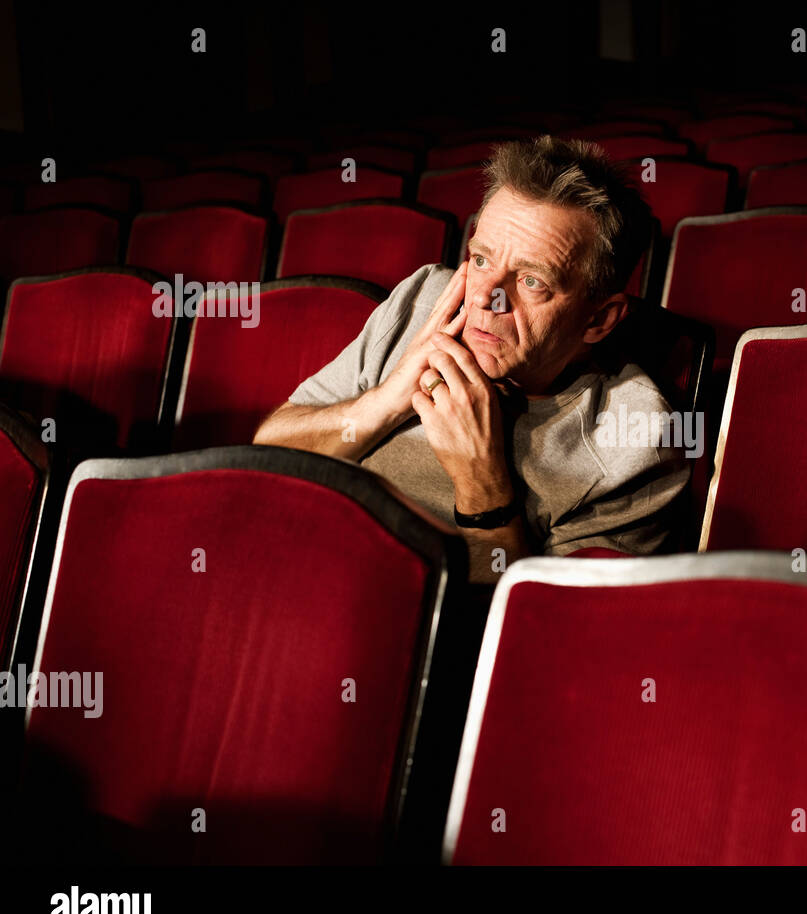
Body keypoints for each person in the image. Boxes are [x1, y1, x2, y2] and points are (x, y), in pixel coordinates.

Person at [253, 136, 688, 581]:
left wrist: (483, 483)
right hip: (274, 563)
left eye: (532, 281)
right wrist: (382, 403)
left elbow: (539, 632)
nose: (484, 296)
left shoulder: (636, 444)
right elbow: (265, 453)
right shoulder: (422, 301)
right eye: (480, 259)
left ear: (599, 320)